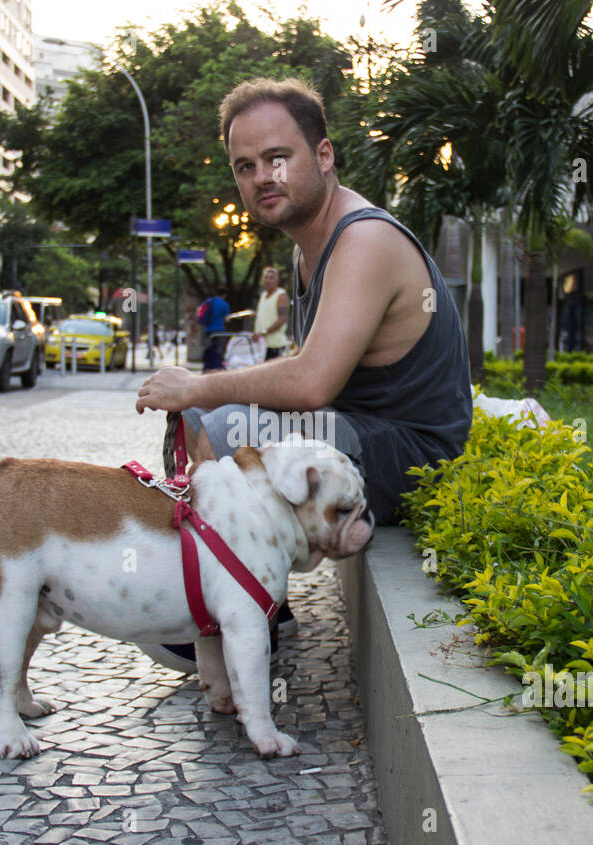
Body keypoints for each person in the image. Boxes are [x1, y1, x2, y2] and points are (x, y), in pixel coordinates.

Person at [135, 77, 471, 659]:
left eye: (277, 158)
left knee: (225, 427)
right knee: (211, 418)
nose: (262, 176)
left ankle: (237, 608)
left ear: (322, 155)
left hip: (412, 454)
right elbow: (310, 376)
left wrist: (199, 386)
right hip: (361, 428)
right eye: (245, 166)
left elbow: (311, 383)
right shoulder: (306, 246)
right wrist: (202, 397)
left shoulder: (363, 240)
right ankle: (255, 598)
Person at [254, 266, 289, 360]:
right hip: (262, 345)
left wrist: (263, 332)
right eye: (266, 277)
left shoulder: (281, 295)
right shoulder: (263, 295)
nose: (268, 280)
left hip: (275, 345)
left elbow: (282, 318)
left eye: (271, 278)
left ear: (277, 281)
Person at [196, 285, 230, 372]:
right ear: (224, 295)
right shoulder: (224, 305)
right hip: (220, 331)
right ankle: (216, 368)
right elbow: (227, 319)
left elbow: (199, 311)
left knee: (208, 350)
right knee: (218, 352)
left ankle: (207, 368)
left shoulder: (208, 301)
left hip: (208, 330)